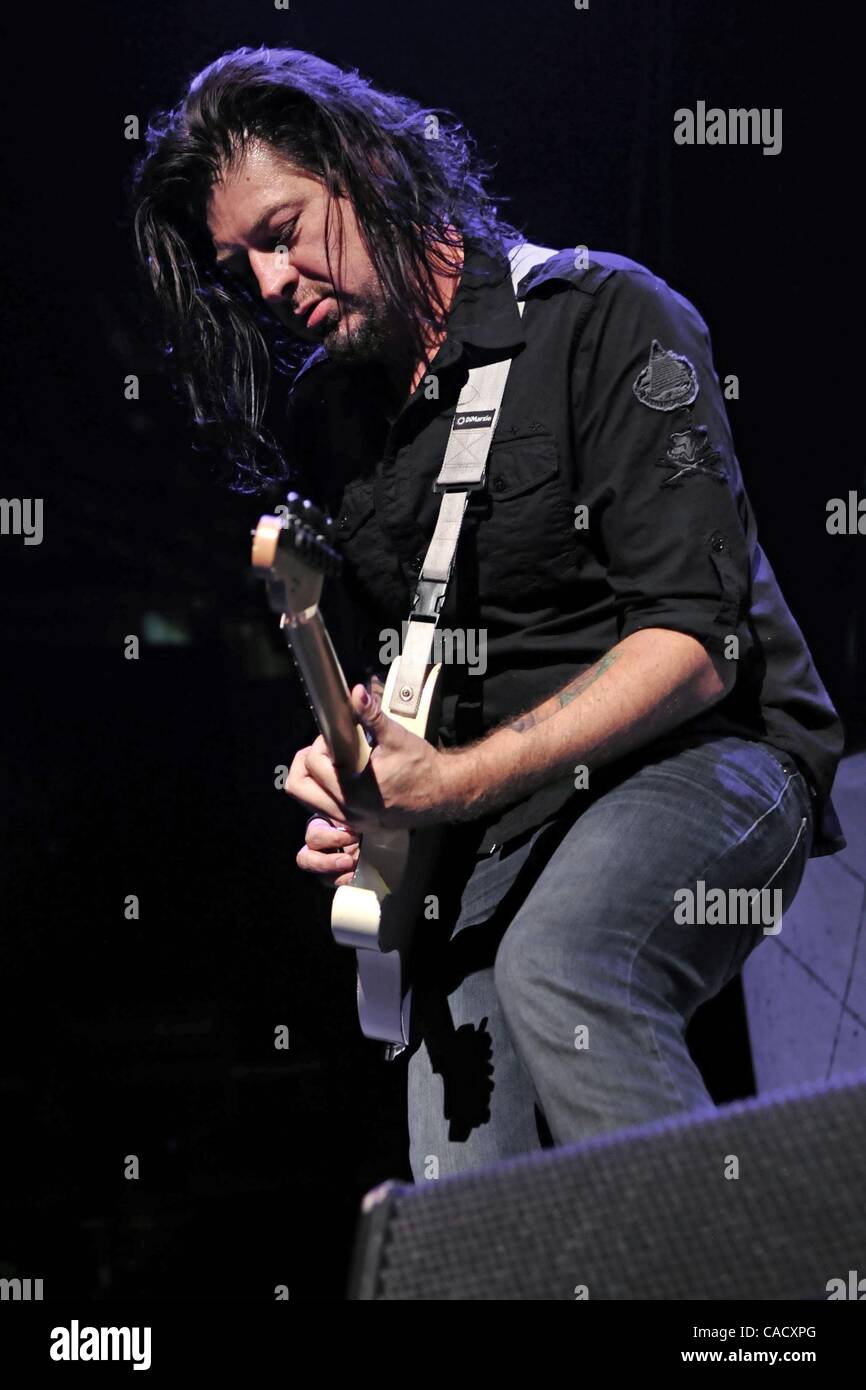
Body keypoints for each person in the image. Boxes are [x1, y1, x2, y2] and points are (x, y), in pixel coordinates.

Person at [132, 46, 846, 1181]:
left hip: (703, 759)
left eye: (280, 232)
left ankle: (724, 1281)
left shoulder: (601, 317)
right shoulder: (332, 420)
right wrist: (351, 772)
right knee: (462, 1172)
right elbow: (389, 688)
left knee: (563, 963)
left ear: (365, 164)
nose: (266, 284)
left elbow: (696, 646)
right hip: (492, 824)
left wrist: (456, 781)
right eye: (240, 266)